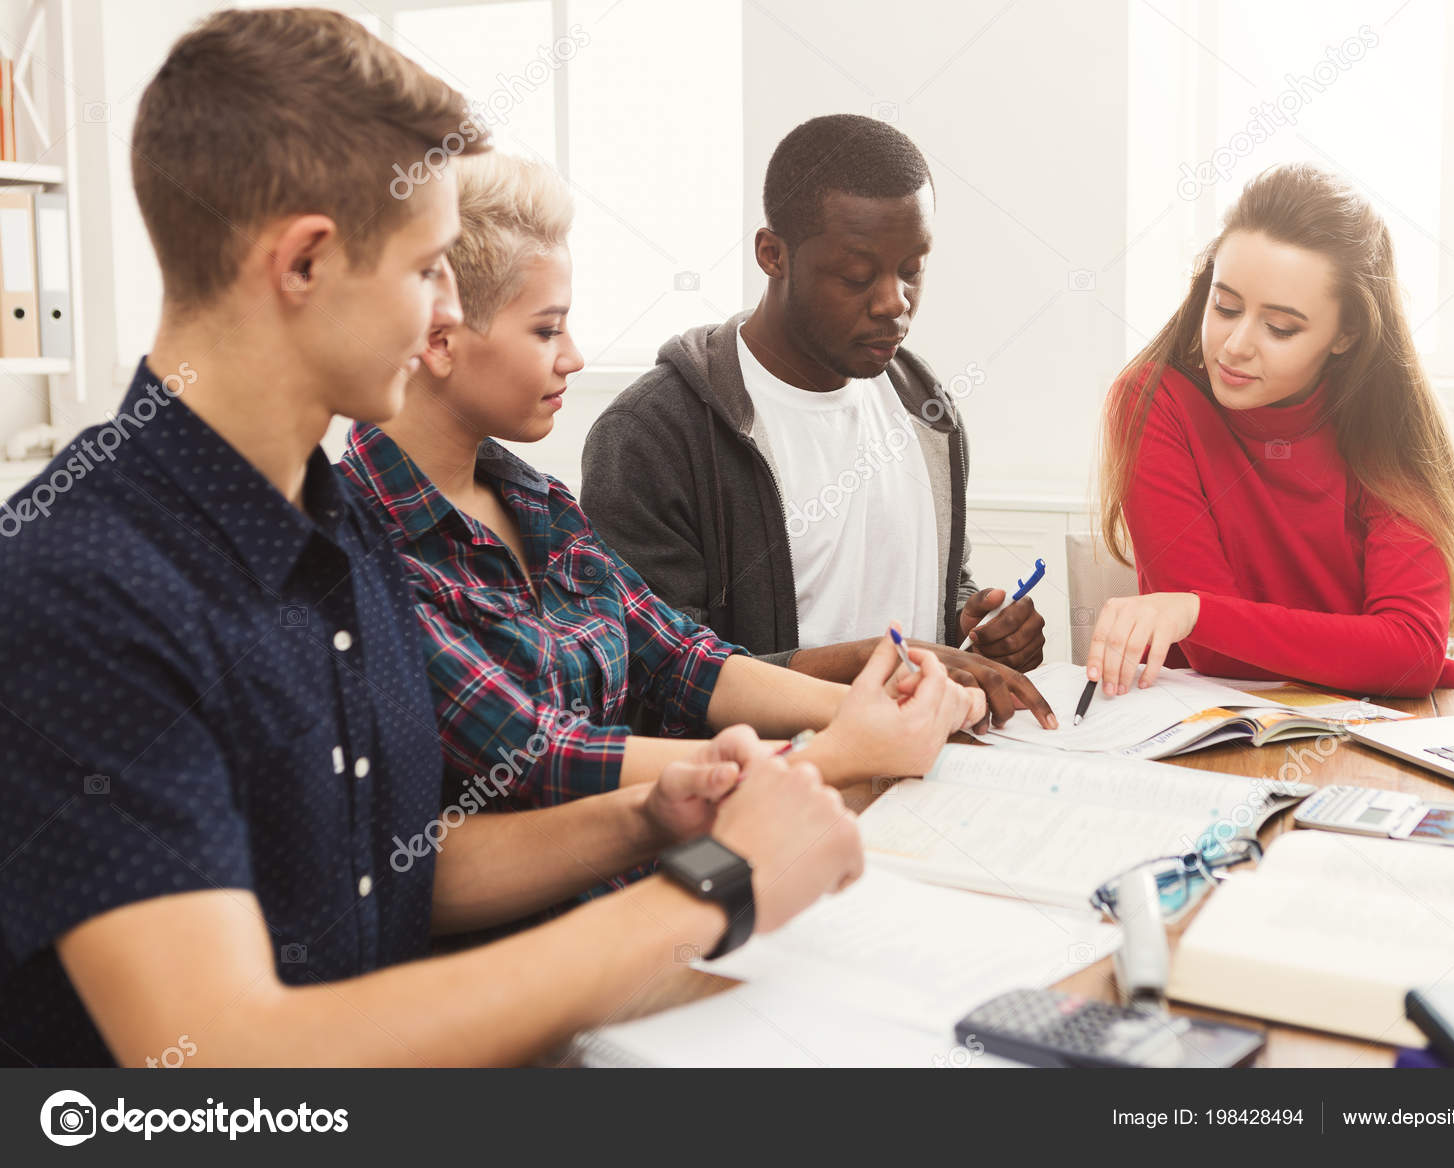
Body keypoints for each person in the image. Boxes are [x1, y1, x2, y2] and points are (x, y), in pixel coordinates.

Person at [0, 8, 863, 1068]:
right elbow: (221, 1055)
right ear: (304, 263)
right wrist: (709, 894)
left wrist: (648, 816)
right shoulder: (78, 586)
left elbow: (392, 868)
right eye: (428, 268)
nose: (447, 310)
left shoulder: (346, 530)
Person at [339, 149, 980, 837]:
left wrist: (859, 705)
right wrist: (832, 754)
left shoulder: (540, 505)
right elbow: (544, 756)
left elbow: (684, 661)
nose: (574, 357)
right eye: (547, 329)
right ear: (439, 341)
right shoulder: (362, 546)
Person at [581, 114, 1056, 730]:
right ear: (772, 255)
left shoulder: (925, 407)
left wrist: (977, 626)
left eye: (912, 268)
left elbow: (941, 594)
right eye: (858, 277)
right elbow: (652, 682)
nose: (894, 303)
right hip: (765, 797)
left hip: (927, 778)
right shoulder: (653, 435)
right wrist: (874, 666)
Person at [1088, 162, 1454, 701]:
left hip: (1379, 729)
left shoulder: (1390, 421)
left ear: (1346, 334)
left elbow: (1410, 653)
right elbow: (1214, 654)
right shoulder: (1152, 400)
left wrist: (1197, 611)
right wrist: (1360, 650)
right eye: (1223, 306)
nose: (1236, 345)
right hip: (1215, 727)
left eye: (1280, 328)